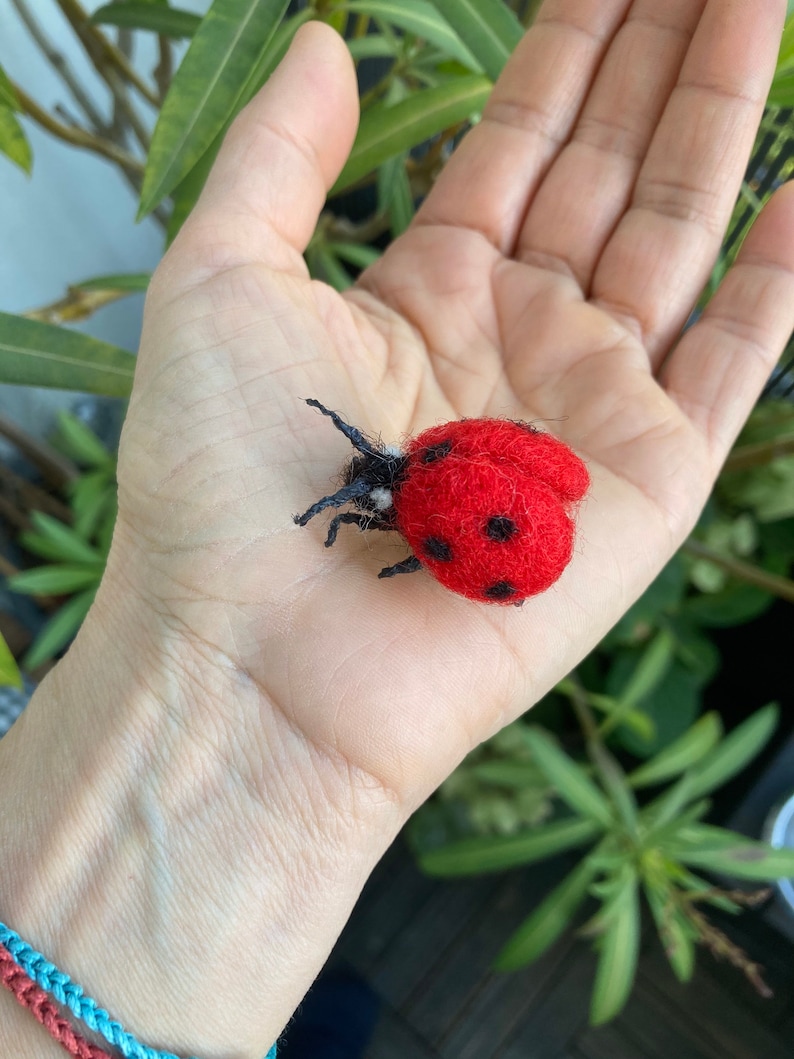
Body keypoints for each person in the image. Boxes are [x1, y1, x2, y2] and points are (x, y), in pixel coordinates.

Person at [2, 1, 794, 1055]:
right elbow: (498, 484)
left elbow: (478, 493)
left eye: (355, 497)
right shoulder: (424, 483)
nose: (355, 495)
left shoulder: (420, 496)